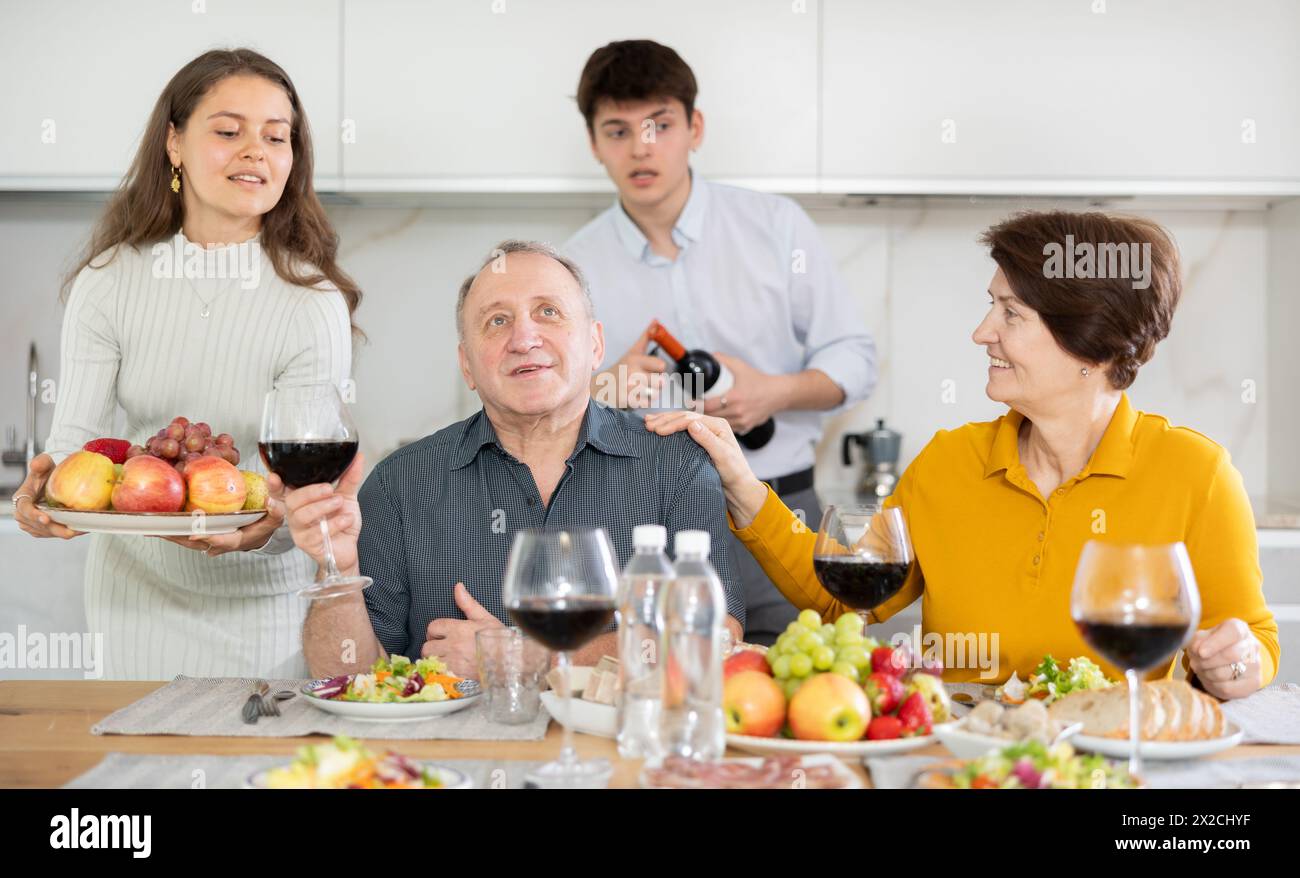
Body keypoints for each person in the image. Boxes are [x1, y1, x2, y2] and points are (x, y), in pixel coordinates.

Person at [646, 210, 1278, 700]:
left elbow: (1253, 646)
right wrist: (739, 479)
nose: (983, 332)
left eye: (1011, 313)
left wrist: (1236, 663)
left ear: (1091, 341)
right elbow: (842, 599)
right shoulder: (952, 462)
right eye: (990, 306)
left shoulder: (1196, 473)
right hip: (965, 767)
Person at [12, 49, 358, 679]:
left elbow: (310, 487)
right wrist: (45, 494)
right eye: (228, 131)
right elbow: (75, 449)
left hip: (265, 602)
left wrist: (269, 528)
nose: (255, 151)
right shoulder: (109, 281)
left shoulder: (311, 301)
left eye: (276, 137)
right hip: (133, 598)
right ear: (174, 143)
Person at [282, 240, 745, 679]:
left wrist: (522, 658)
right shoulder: (400, 482)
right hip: (454, 757)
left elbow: (716, 638)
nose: (524, 338)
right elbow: (350, 677)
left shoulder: (677, 464)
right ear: (467, 366)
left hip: (619, 754)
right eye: (497, 321)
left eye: (549, 312)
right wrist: (336, 572)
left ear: (596, 345)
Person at [562, 40, 877, 646]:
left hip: (782, 512)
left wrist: (774, 392)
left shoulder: (776, 226)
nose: (641, 146)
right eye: (618, 130)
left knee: (794, 693)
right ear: (594, 145)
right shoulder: (573, 266)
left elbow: (855, 359)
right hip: (641, 528)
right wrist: (605, 388)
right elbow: (547, 405)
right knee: (645, 693)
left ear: (694, 127)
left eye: (660, 124)